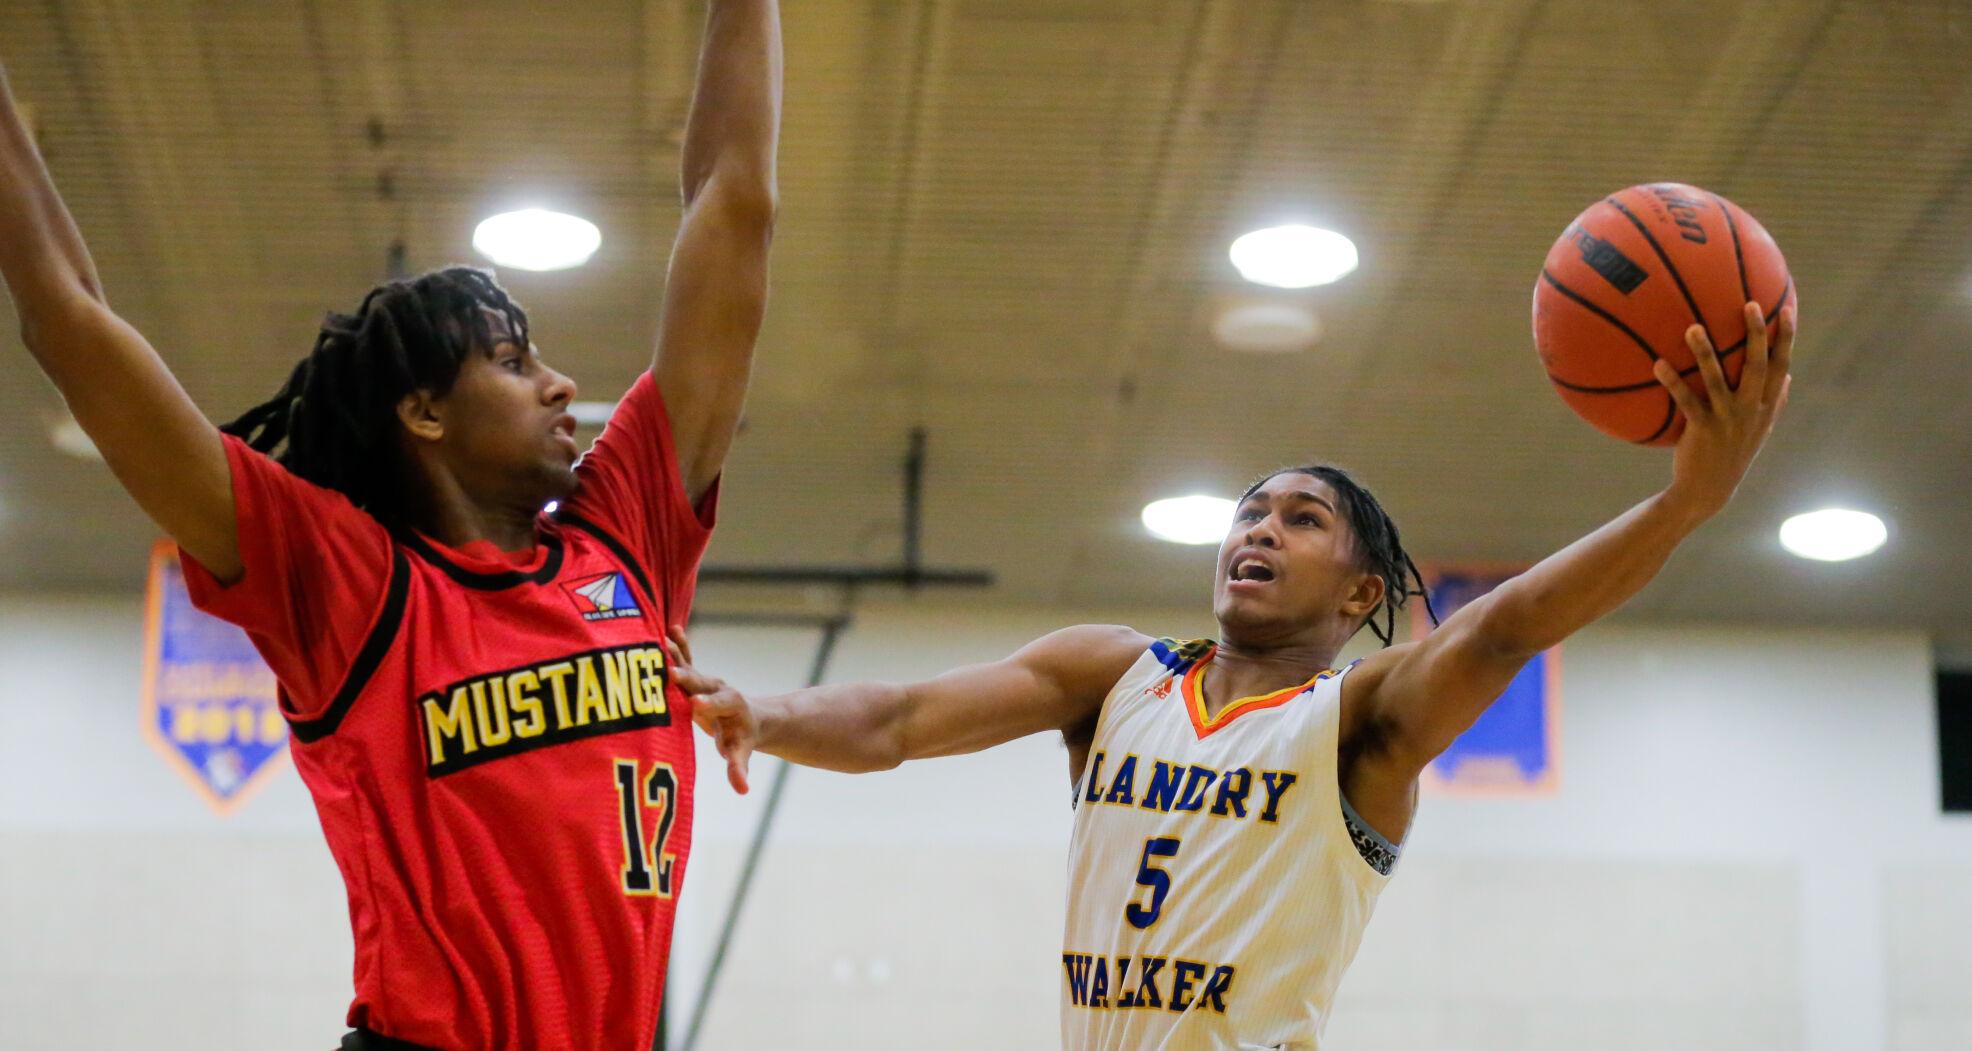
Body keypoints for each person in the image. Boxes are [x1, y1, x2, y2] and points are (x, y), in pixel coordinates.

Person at [673, 305, 1793, 1050]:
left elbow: (1498, 632)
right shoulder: (1110, 674)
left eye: (1300, 520)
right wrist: (763, 712)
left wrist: (1682, 504)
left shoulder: (1358, 719)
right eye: (1247, 513)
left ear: (1361, 594)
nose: (1256, 531)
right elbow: (902, 717)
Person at [0, 2, 779, 1047]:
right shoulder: (349, 581)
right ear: (422, 411)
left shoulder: (623, 533)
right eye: (512, 362)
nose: (562, 385)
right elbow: (70, 316)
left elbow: (735, 207)